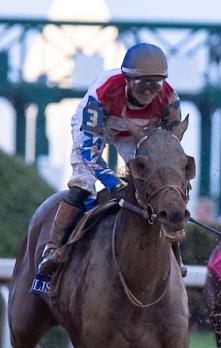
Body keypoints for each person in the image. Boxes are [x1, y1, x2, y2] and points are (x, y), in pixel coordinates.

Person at [37, 43, 186, 277]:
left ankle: (175, 252)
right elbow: (88, 149)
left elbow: (167, 151)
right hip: (95, 128)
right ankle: (53, 248)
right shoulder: (104, 92)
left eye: (154, 84)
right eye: (142, 84)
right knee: (83, 185)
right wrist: (110, 181)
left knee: (152, 183)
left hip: (132, 132)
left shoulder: (169, 100)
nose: (148, 91)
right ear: (127, 80)